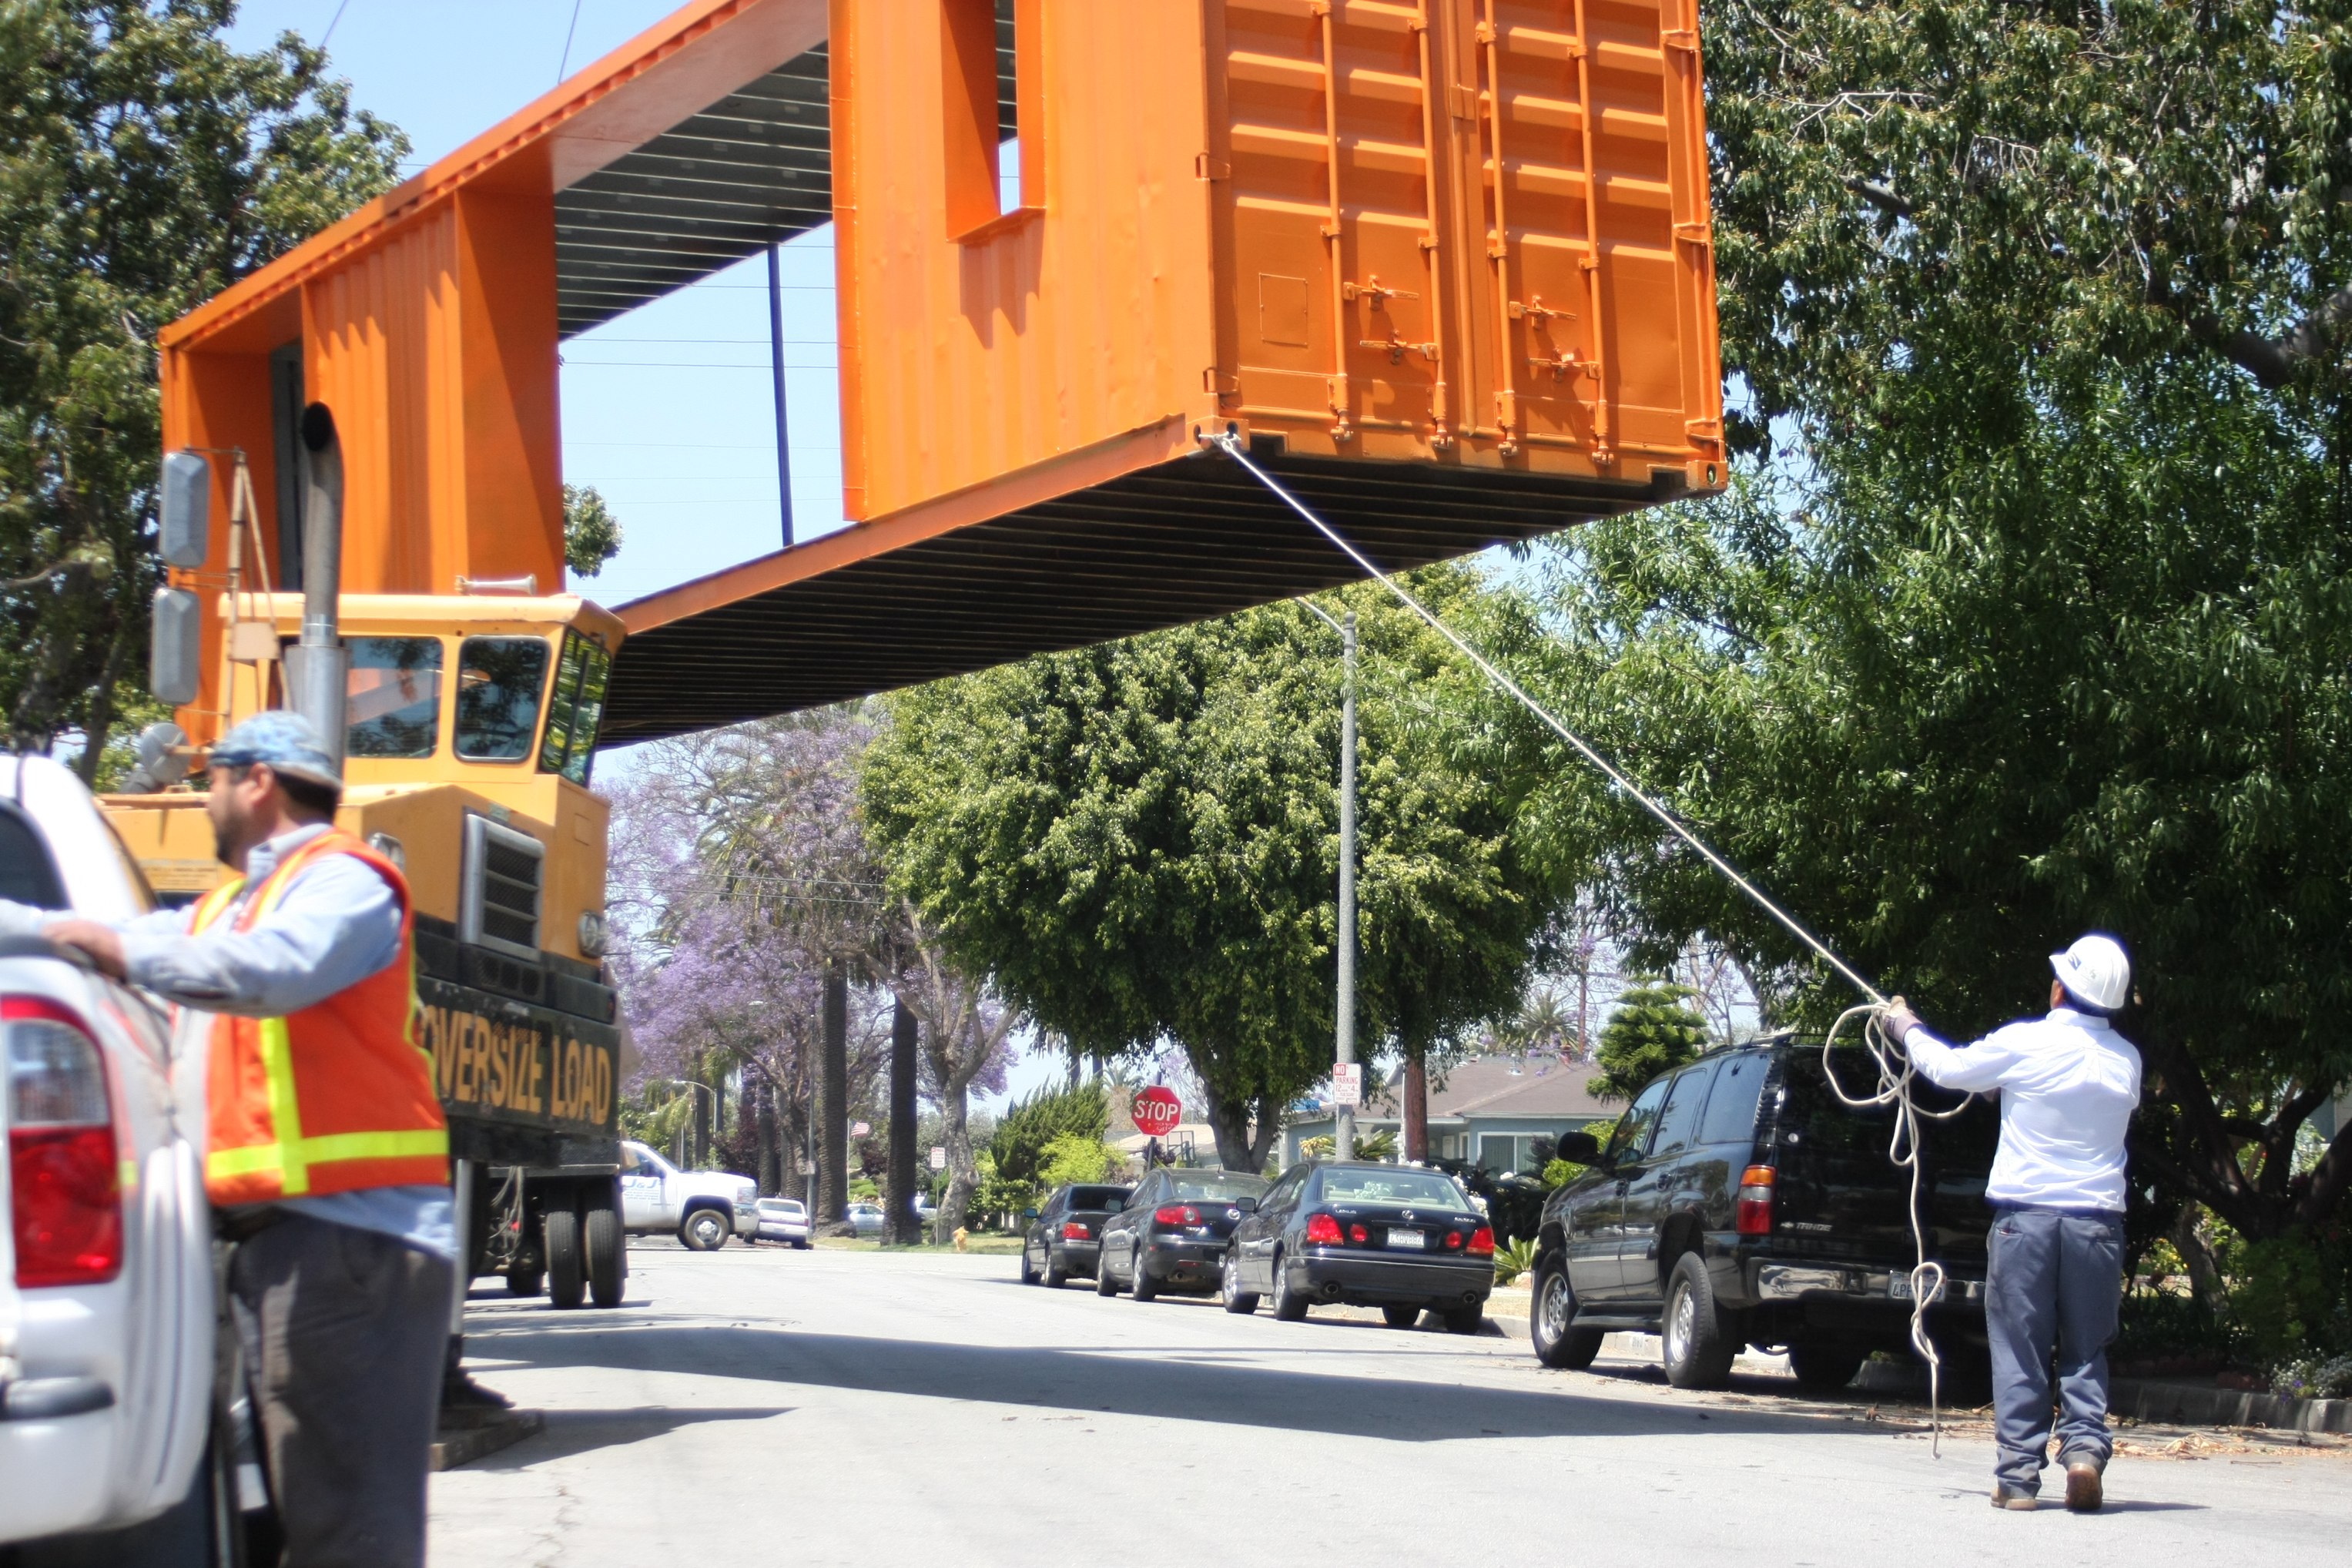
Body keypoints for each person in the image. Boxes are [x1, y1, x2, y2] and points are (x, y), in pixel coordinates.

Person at [3, 711, 453, 1567]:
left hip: (350, 1244)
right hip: (294, 1245)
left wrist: (109, 943)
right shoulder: (231, 905)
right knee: (303, 1520)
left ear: (258, 779)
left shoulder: (345, 882)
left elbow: (273, 970)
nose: (201, 795)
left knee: (350, 1530)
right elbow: (90, 935)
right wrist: (68, 933)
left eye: (210, 777)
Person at [1883, 934, 2142, 1515]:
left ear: (2060, 990)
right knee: (2086, 1347)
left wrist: (1905, 1026)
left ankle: (2019, 1478)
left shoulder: (2027, 1042)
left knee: (2020, 1347)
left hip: (2025, 1221)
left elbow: (1947, 1070)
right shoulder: (2127, 1059)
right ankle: (2083, 1457)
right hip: (2097, 1225)